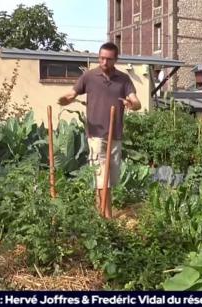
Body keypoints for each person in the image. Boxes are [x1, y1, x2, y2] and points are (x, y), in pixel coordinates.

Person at [58, 42, 141, 219]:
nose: (104, 62)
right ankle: (107, 216)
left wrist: (132, 104)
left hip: (115, 134)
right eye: (102, 58)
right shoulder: (89, 76)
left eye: (109, 59)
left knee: (110, 177)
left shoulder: (123, 79)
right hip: (95, 134)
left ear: (116, 60)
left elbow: (136, 102)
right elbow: (73, 93)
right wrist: (65, 99)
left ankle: (101, 212)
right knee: (102, 175)